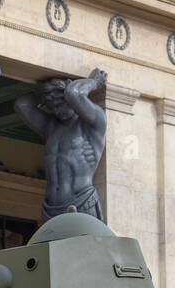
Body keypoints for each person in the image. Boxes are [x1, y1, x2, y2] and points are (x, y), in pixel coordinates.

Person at [15, 69, 107, 223]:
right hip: (51, 208)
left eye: (59, 104)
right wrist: (44, 92)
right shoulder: (51, 127)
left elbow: (74, 93)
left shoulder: (93, 123)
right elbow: (22, 105)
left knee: (85, 248)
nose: (57, 111)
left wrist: (94, 82)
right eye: (52, 107)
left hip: (81, 202)